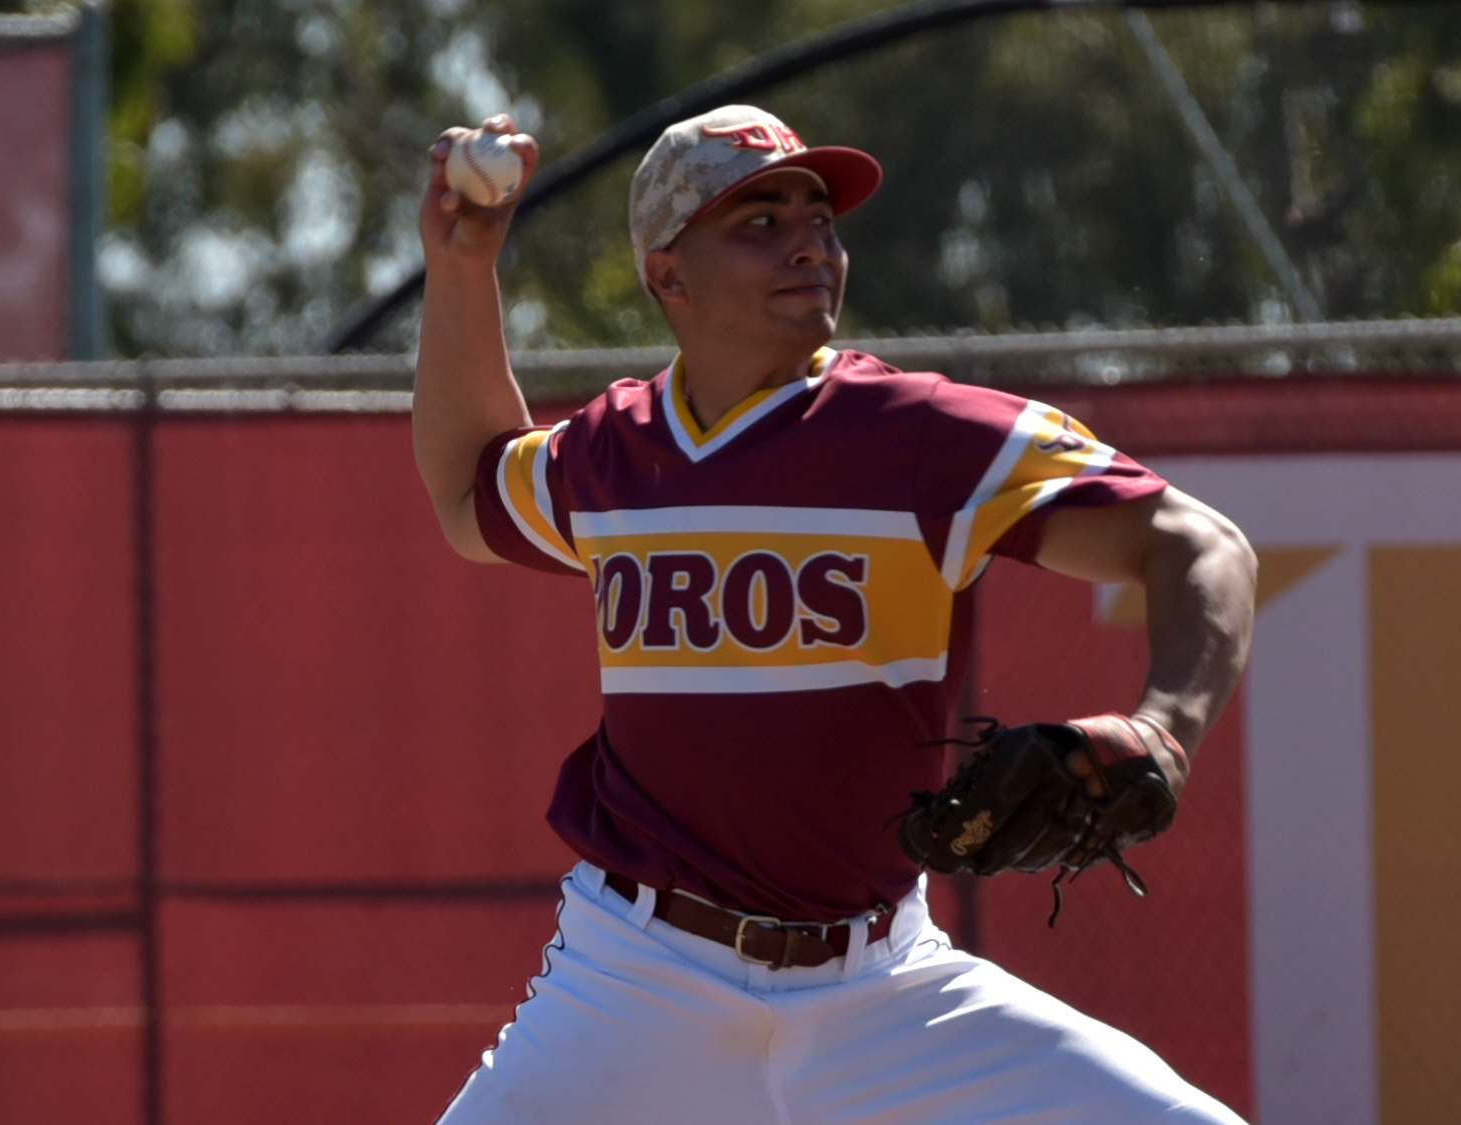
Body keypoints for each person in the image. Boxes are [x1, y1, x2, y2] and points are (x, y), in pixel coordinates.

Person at [413, 105, 1258, 1124]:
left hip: (883, 993)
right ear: (667, 275)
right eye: (757, 221)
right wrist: (461, 268)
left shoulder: (919, 435)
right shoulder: (611, 451)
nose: (808, 240)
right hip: (636, 983)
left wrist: (1163, 728)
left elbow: (1198, 544)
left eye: (817, 216)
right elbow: (470, 496)